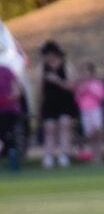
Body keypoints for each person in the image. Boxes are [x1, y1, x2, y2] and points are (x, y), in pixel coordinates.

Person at [38, 40, 76, 168]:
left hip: (65, 101)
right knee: (50, 129)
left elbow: (72, 86)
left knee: (65, 126)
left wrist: (57, 80)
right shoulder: (42, 68)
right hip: (50, 103)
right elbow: (40, 89)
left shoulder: (66, 66)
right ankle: (48, 156)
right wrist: (40, 107)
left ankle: (64, 155)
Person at [74, 61, 104, 164]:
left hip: (95, 110)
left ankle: (99, 155)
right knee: (90, 134)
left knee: (98, 131)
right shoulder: (79, 86)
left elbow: (101, 97)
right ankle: (94, 155)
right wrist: (81, 90)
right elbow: (77, 99)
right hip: (85, 111)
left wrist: (90, 89)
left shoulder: (97, 84)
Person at [0, 63, 23, 172]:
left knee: (9, 136)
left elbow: (16, 91)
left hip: (9, 110)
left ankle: (14, 165)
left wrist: (8, 99)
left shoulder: (6, 70)